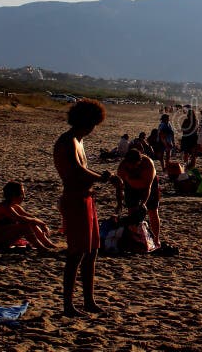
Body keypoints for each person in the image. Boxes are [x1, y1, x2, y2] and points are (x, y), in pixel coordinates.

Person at [53, 99, 122, 317]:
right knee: (76, 254)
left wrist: (102, 177)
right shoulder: (68, 141)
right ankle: (68, 305)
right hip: (74, 199)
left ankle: (88, 300)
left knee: (92, 252)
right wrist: (105, 178)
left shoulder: (79, 141)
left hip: (86, 198)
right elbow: (76, 170)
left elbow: (84, 169)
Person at [0, 181, 58, 251]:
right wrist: (42, 224)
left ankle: (47, 243)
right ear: (14, 195)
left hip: (4, 237)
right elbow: (21, 218)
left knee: (30, 222)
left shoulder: (15, 207)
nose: (24, 197)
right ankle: (40, 247)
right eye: (22, 194)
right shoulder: (4, 207)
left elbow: (31, 217)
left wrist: (42, 225)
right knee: (24, 225)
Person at [113, 149, 161, 249]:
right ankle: (135, 240)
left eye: (135, 165)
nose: (132, 168)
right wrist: (119, 203)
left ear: (139, 162)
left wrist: (144, 203)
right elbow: (119, 187)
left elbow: (148, 187)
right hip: (130, 186)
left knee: (153, 211)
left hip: (148, 186)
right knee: (132, 213)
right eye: (130, 165)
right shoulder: (122, 167)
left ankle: (156, 239)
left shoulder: (148, 164)